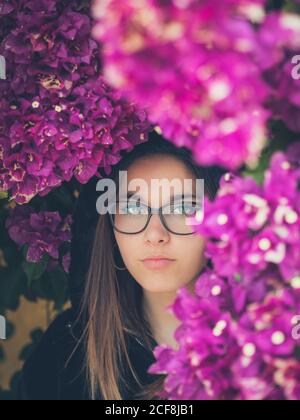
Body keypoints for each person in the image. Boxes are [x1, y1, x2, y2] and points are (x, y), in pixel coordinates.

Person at [19, 132, 224, 400]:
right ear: (109, 224)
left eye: (183, 207)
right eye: (134, 208)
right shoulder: (65, 352)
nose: (155, 234)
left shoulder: (260, 349)